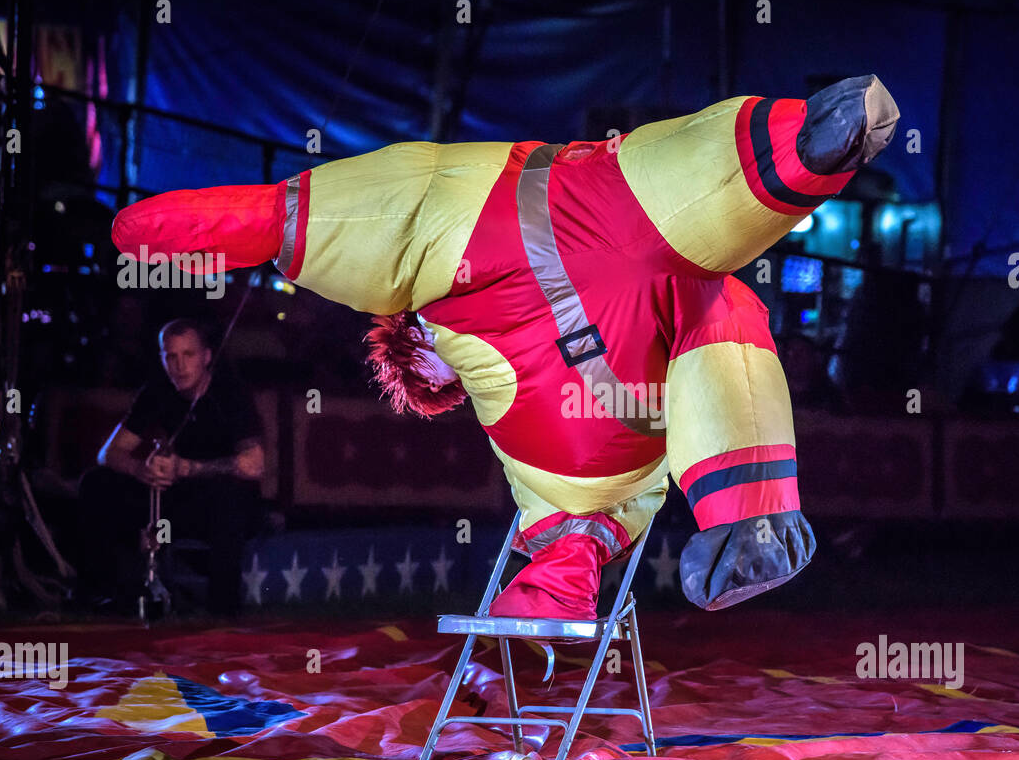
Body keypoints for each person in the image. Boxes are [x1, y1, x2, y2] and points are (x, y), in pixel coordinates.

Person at [111, 74, 900, 620]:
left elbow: (376, 219)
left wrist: (257, 223)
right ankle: (747, 514)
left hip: (584, 221)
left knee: (711, 280)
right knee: (721, 304)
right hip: (612, 261)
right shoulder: (483, 352)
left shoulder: (449, 287)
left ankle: (804, 146)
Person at [75, 318, 264, 616]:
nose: (179, 365)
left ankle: (223, 609)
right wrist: (140, 469)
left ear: (206, 357)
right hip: (173, 498)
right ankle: (102, 592)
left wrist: (186, 467)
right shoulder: (157, 391)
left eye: (188, 355)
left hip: (221, 500)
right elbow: (107, 453)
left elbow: (253, 465)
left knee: (229, 497)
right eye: (170, 356)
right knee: (96, 483)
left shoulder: (231, 393)